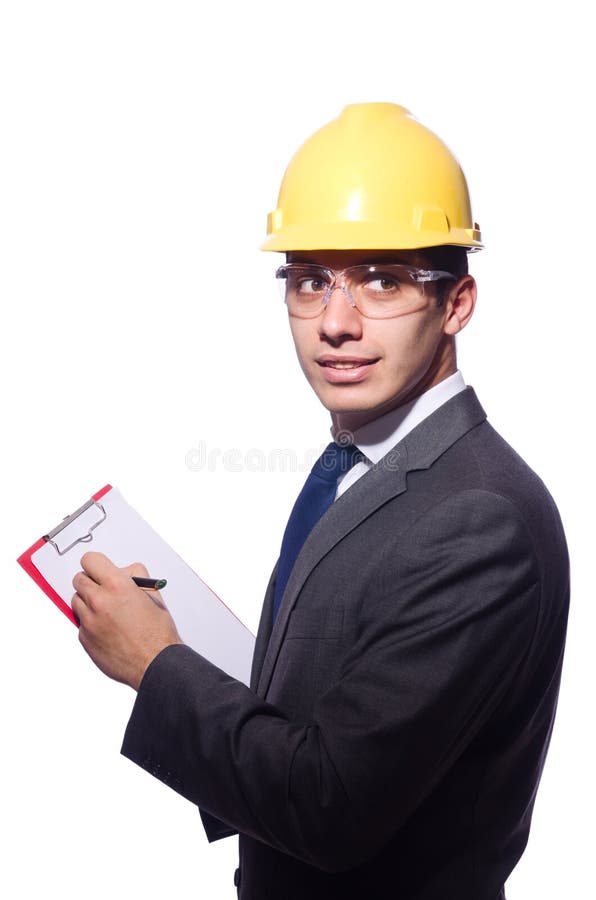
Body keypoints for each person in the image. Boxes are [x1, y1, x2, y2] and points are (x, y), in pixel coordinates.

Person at [71, 103, 570, 899]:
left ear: (458, 304)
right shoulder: (358, 463)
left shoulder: (481, 518)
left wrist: (156, 666)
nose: (336, 323)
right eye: (310, 281)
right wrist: (186, 643)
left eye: (383, 280)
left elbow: (329, 805)